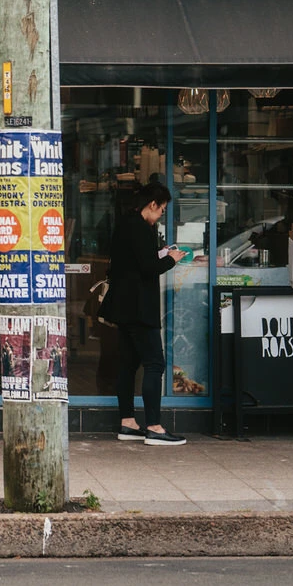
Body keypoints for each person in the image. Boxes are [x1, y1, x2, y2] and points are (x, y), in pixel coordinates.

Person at [103, 183, 187, 446]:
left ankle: (127, 422)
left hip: (122, 306)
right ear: (152, 205)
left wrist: (159, 254)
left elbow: (132, 263)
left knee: (128, 364)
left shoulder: (124, 225)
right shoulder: (142, 228)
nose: (161, 214)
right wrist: (171, 258)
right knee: (155, 364)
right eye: (161, 209)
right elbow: (149, 268)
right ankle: (154, 427)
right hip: (140, 307)